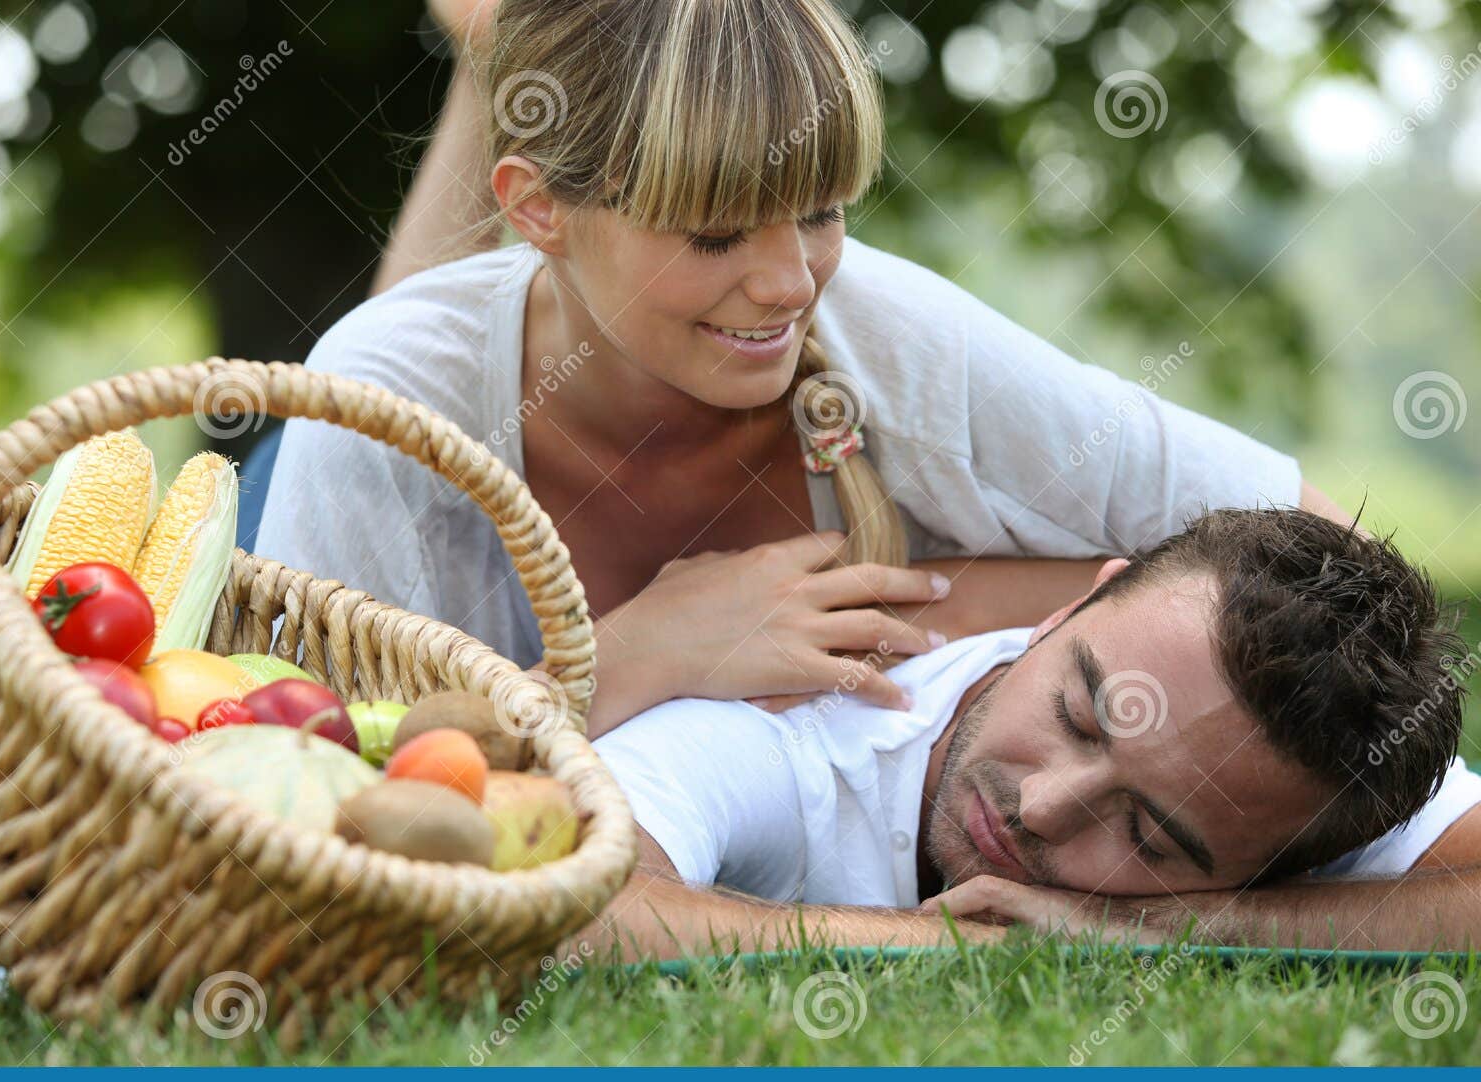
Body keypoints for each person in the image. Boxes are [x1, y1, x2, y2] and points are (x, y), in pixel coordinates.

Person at [253, 0, 1346, 743]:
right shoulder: (386, 393)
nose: (789, 282)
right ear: (535, 206)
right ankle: (488, 44)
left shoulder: (900, 344)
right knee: (356, 388)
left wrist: (948, 604)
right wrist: (640, 656)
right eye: (717, 235)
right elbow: (315, 769)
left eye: (820, 212)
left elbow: (1327, 562)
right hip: (292, 476)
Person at [579, 508, 1481, 958]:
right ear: (1070, 607)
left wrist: (1194, 923)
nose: (1042, 807)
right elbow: (551, 895)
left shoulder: (1313, 774)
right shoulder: (791, 731)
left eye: (1150, 836)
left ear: (1286, 864)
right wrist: (938, 938)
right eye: (1078, 716)